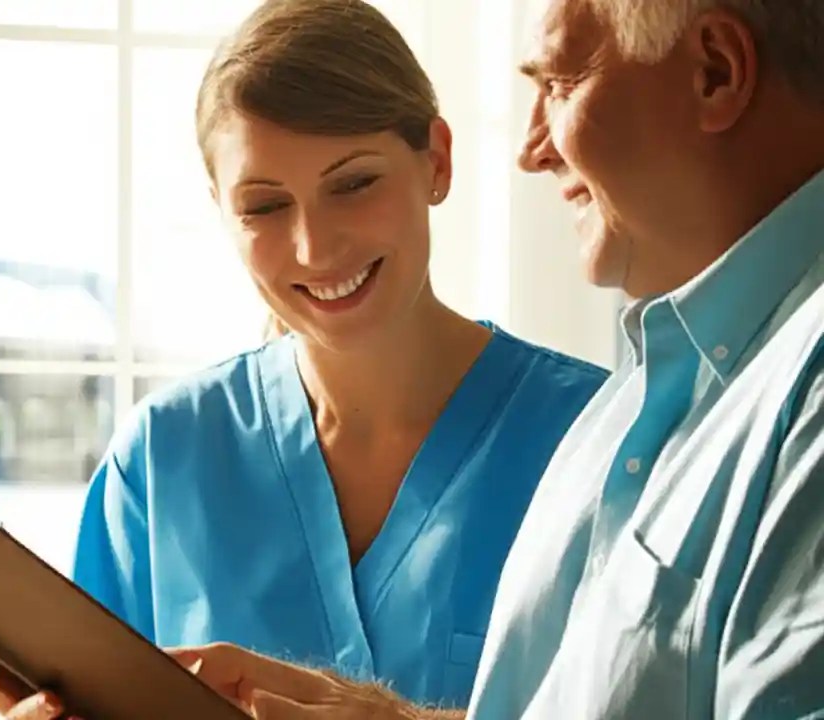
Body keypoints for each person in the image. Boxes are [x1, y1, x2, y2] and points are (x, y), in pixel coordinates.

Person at [141, 0, 824, 717]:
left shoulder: (761, 396)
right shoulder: (647, 397)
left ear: (716, 72)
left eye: (559, 84)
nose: (533, 147)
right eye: (263, 206)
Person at [0, 0, 609, 717]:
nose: (314, 247)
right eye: (264, 206)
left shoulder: (602, 438)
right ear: (221, 209)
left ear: (437, 160)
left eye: (354, 183)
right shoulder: (162, 460)